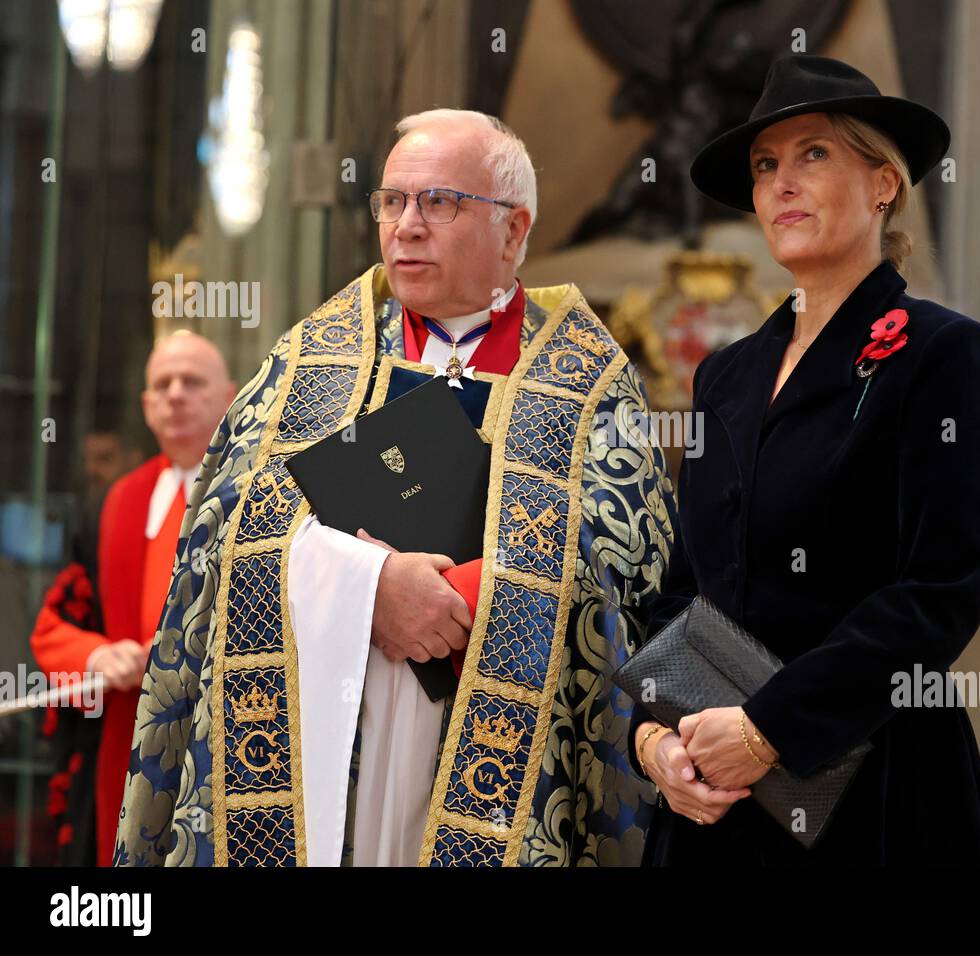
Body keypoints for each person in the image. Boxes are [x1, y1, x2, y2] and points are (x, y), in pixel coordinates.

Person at [114, 108, 676, 867]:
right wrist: (368, 587)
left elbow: (631, 575)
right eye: (392, 201)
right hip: (323, 735)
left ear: (514, 231)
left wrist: (474, 594)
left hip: (496, 757)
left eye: (439, 202)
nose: (407, 226)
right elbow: (222, 534)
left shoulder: (584, 382)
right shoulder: (313, 360)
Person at [627, 54, 980, 864]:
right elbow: (683, 593)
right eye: (767, 166)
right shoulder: (725, 374)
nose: (780, 184)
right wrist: (657, 743)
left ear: (884, 183)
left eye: (813, 155)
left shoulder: (943, 353)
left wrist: (770, 729)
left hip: (877, 799)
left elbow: (938, 595)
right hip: (712, 805)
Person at [30, 331, 236, 866]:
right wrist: (98, 655)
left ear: (231, 396)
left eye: (192, 382)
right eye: (161, 385)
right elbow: (56, 624)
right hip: (121, 736)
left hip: (221, 735)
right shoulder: (112, 505)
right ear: (146, 407)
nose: (175, 395)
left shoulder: (263, 494)